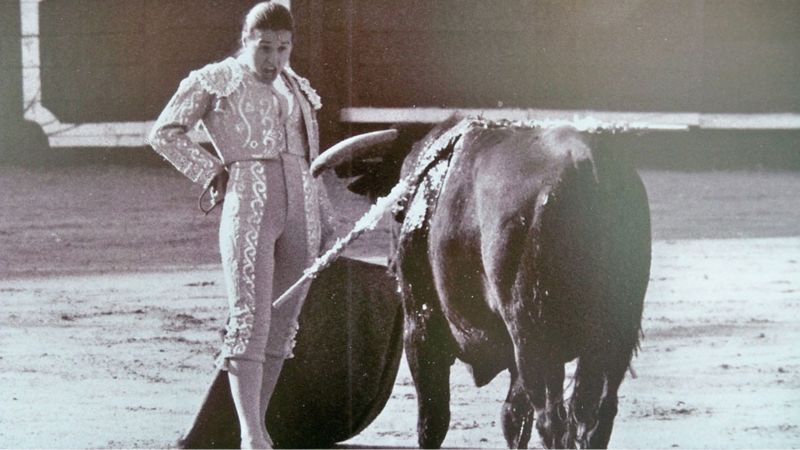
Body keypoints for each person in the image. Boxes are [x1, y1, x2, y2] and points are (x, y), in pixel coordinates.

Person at [147, 2, 336, 448]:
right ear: (247, 41)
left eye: (284, 49)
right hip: (250, 201)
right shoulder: (217, 78)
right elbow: (164, 132)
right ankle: (252, 436)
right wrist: (212, 169)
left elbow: (309, 160)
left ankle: (257, 425)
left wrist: (325, 214)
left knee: (283, 322)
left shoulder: (297, 86)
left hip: (302, 206)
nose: (274, 60)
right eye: (265, 48)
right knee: (251, 319)